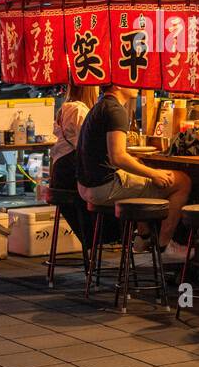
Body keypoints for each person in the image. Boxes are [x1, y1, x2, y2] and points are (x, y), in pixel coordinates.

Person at [77, 83, 191, 255]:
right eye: (129, 80)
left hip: (86, 186)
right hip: (102, 188)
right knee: (182, 181)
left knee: (141, 170)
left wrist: (144, 169)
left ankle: (143, 238)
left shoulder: (101, 106)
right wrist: (154, 174)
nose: (136, 84)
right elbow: (118, 157)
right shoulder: (115, 110)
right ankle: (164, 246)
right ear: (116, 86)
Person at [51, 83, 100, 248]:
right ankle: (103, 238)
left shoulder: (65, 108)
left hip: (60, 172)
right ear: (89, 88)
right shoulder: (80, 110)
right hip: (70, 174)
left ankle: (94, 243)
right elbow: (87, 144)